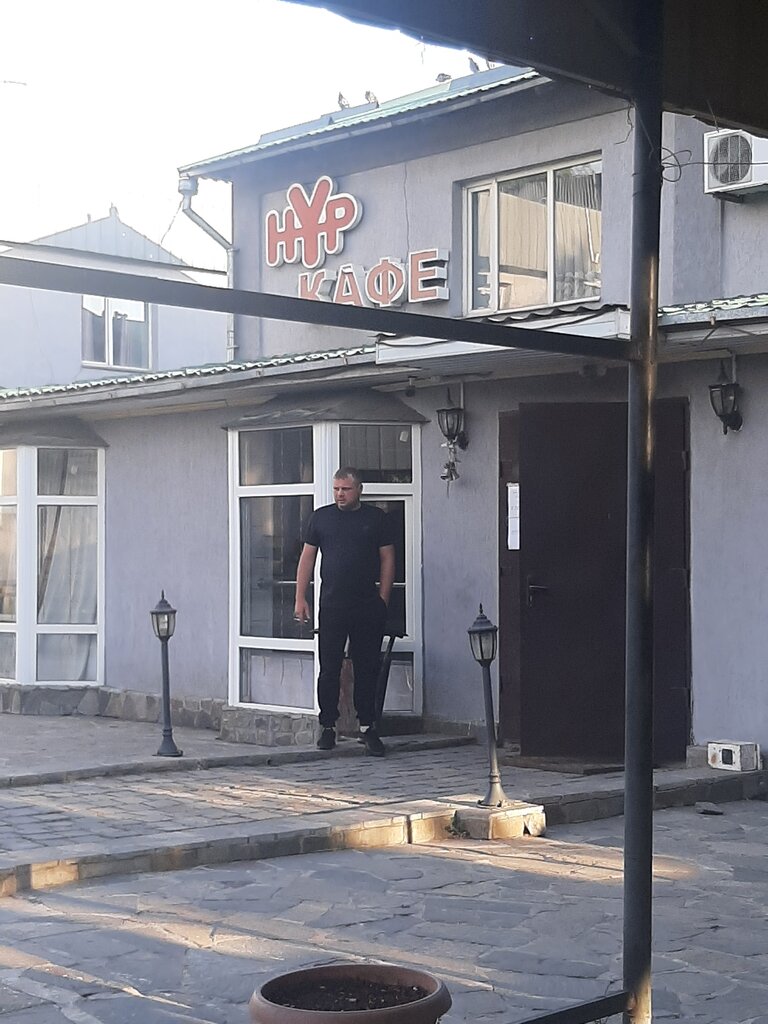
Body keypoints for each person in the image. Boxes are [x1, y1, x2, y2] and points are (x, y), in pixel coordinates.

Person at [294, 467, 395, 756]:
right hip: (332, 605)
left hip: (366, 605)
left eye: (346, 489)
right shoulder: (321, 517)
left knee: (367, 668)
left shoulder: (375, 518)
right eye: (336, 489)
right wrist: (300, 597)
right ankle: (328, 726)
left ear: (359, 490)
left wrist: (383, 599)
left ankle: (368, 727)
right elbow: (307, 559)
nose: (340, 494)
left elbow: (388, 559)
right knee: (329, 668)